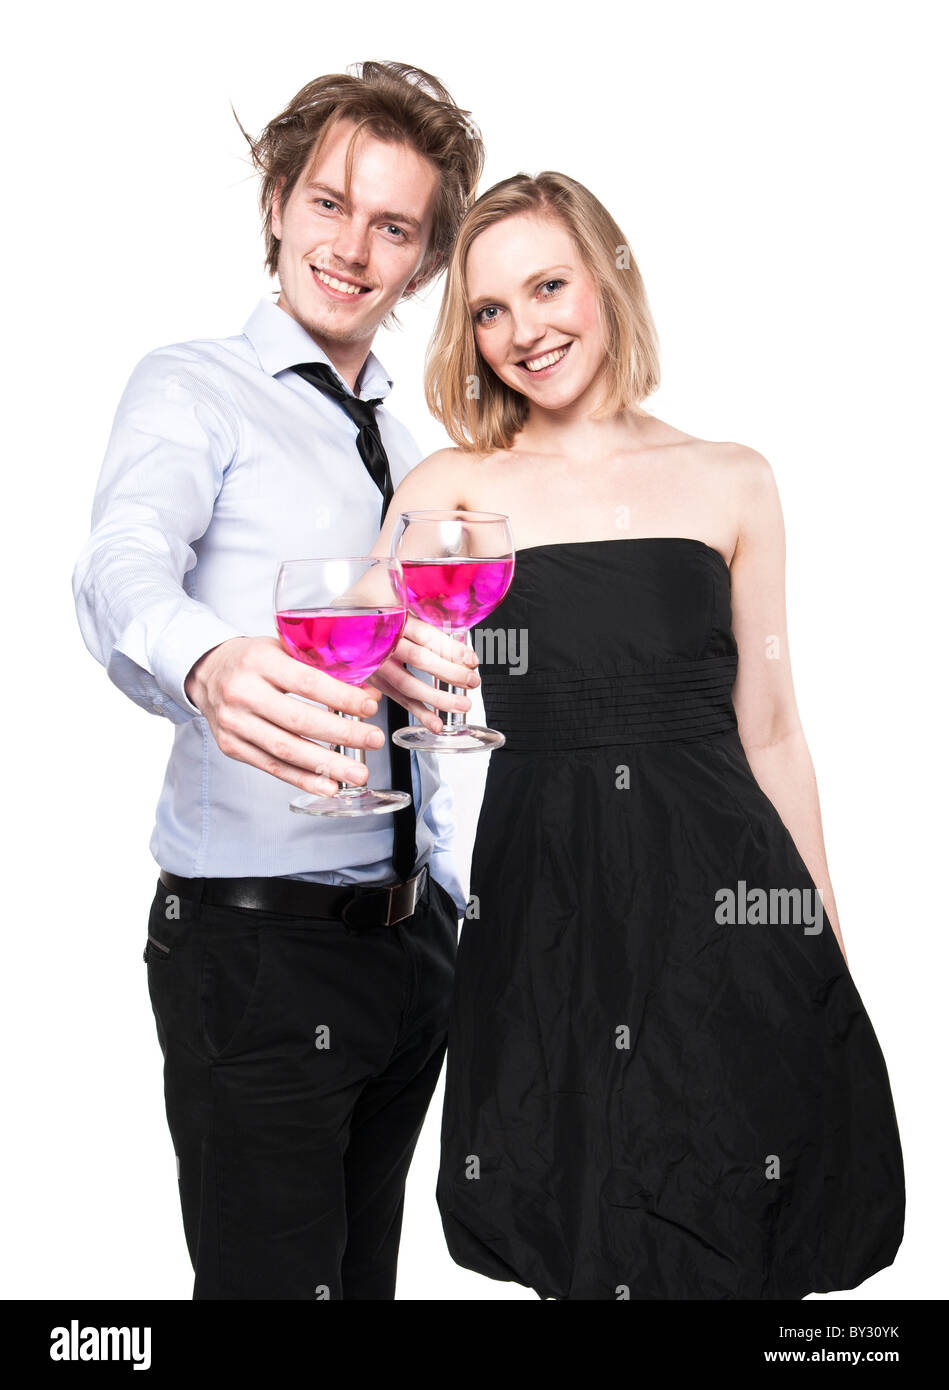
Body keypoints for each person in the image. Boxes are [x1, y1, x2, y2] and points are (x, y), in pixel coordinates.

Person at [371, 171, 905, 1299]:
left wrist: (823, 940)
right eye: (488, 309)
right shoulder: (449, 489)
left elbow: (769, 728)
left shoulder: (731, 479)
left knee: (728, 1225)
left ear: (608, 275)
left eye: (549, 284)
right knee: (577, 1226)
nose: (525, 330)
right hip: (546, 913)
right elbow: (376, 682)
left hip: (721, 906)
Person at [71, 62, 485, 1300]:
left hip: (414, 952)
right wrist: (205, 660)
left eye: (393, 226)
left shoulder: (412, 453)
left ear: (421, 262)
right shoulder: (192, 387)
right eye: (328, 203)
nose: (351, 248)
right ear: (277, 203)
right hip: (255, 954)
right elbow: (116, 566)